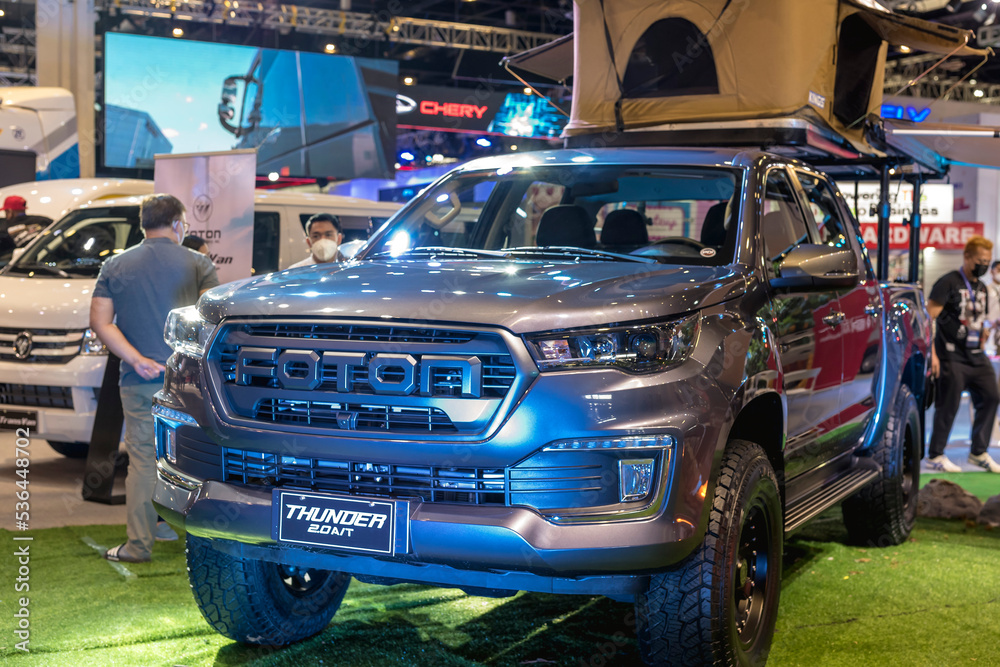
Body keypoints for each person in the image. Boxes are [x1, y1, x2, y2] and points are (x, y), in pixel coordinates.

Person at [90, 194, 220, 562]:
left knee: (144, 460)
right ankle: (196, 538)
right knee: (196, 459)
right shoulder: (198, 263)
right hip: (190, 384)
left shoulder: (115, 265)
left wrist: (138, 360)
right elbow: (210, 321)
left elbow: (100, 322)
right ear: (178, 223)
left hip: (139, 380)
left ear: (143, 223)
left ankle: (139, 544)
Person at [927, 236, 1000, 473]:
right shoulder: (947, 282)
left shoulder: (982, 288)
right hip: (950, 356)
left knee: (991, 396)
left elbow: (981, 318)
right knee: (948, 405)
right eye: (980, 260)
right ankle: (936, 455)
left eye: (987, 261)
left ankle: (978, 452)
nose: (984, 265)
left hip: (977, 355)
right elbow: (929, 318)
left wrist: (985, 334)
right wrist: (932, 355)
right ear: (967, 257)